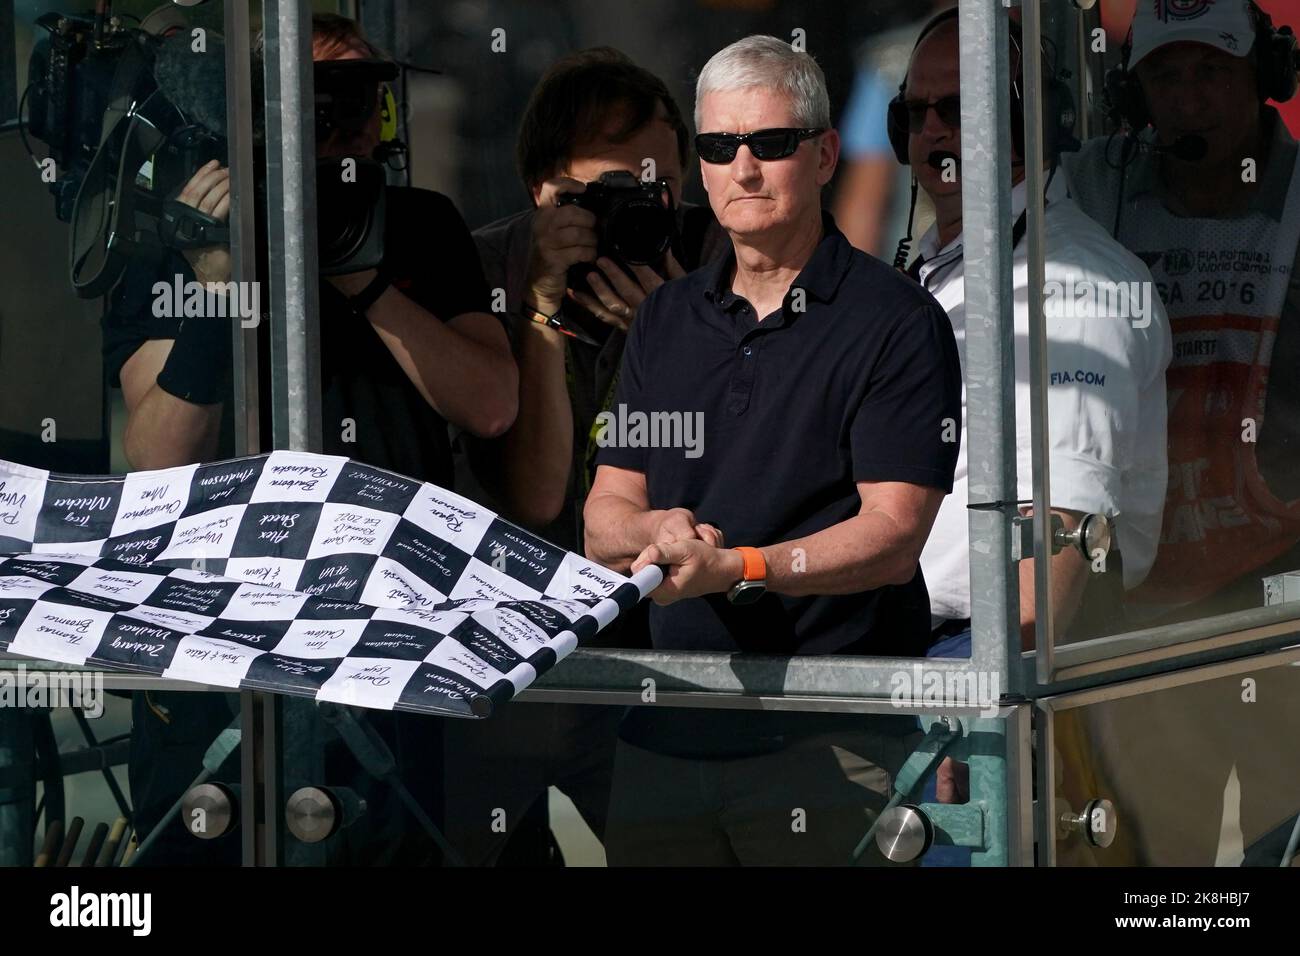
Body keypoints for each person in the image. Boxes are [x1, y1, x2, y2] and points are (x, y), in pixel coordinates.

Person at [103, 14, 517, 865]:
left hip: (390, 630)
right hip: (221, 633)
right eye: (319, 107)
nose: (350, 129)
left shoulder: (420, 225)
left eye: (367, 106)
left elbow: (491, 404)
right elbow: (157, 456)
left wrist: (361, 274)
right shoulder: (174, 237)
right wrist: (219, 279)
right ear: (256, 119)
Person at [583, 35, 962, 866]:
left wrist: (743, 567)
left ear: (826, 154)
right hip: (664, 730)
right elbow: (605, 515)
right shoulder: (664, 318)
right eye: (720, 147)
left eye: (772, 144)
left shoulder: (896, 321)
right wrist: (659, 529)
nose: (744, 168)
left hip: (831, 736)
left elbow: (894, 538)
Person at [444, 48, 728, 866]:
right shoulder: (491, 265)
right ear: (545, 192)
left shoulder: (710, 260)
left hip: (656, 651)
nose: (649, 210)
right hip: (512, 651)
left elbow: (733, 468)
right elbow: (536, 499)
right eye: (617, 193)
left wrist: (671, 349)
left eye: (663, 186)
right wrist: (538, 307)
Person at [1061, 0, 1300, 865]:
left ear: (1263, 81)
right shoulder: (1092, 188)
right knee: (1168, 859)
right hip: (1141, 604)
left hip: (1280, 591)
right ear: (1135, 95)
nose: (1189, 98)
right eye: (1166, 75)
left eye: (1212, 71)